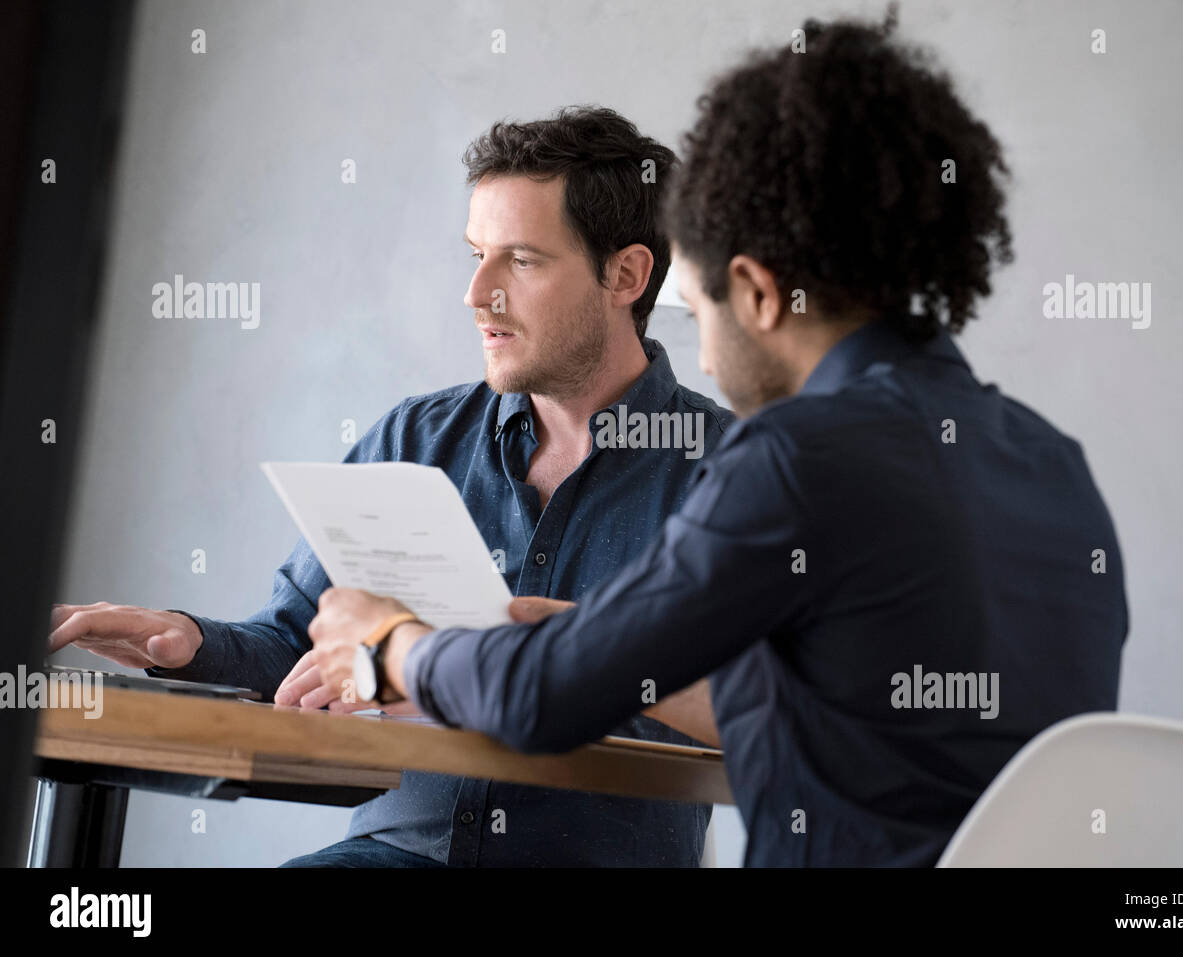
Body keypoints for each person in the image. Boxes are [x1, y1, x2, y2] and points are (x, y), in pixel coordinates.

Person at [304, 15, 1130, 867]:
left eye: (696, 304)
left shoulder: (798, 454)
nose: (694, 343)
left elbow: (535, 701)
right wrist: (601, 642)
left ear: (758, 293)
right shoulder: (1051, 462)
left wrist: (388, 641)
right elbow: (877, 732)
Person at [48, 106, 733, 867]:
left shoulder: (734, 476)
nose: (478, 294)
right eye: (475, 254)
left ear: (626, 275)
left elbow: (778, 714)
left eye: (522, 261)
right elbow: (297, 645)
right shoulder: (415, 440)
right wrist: (188, 644)